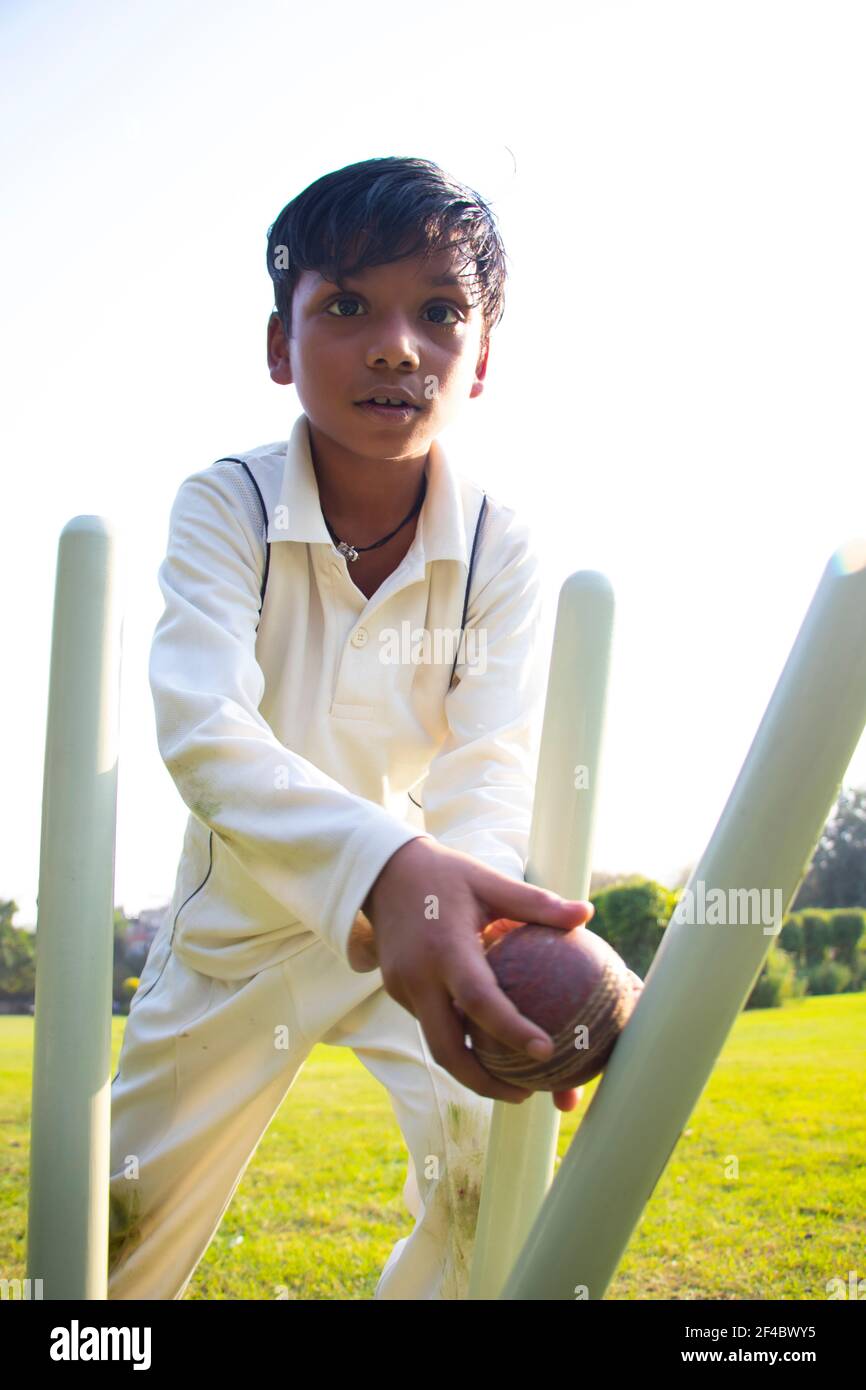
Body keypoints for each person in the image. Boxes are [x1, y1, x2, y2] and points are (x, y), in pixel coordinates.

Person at [107, 155, 595, 1301]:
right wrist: (388, 864)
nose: (394, 346)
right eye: (344, 306)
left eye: (437, 312)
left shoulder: (499, 542)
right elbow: (204, 731)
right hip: (237, 933)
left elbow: (489, 766)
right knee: (113, 1239)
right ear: (278, 345)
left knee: (489, 1203)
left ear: (480, 362)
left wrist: (467, 921)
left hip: (425, 937)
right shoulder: (223, 500)